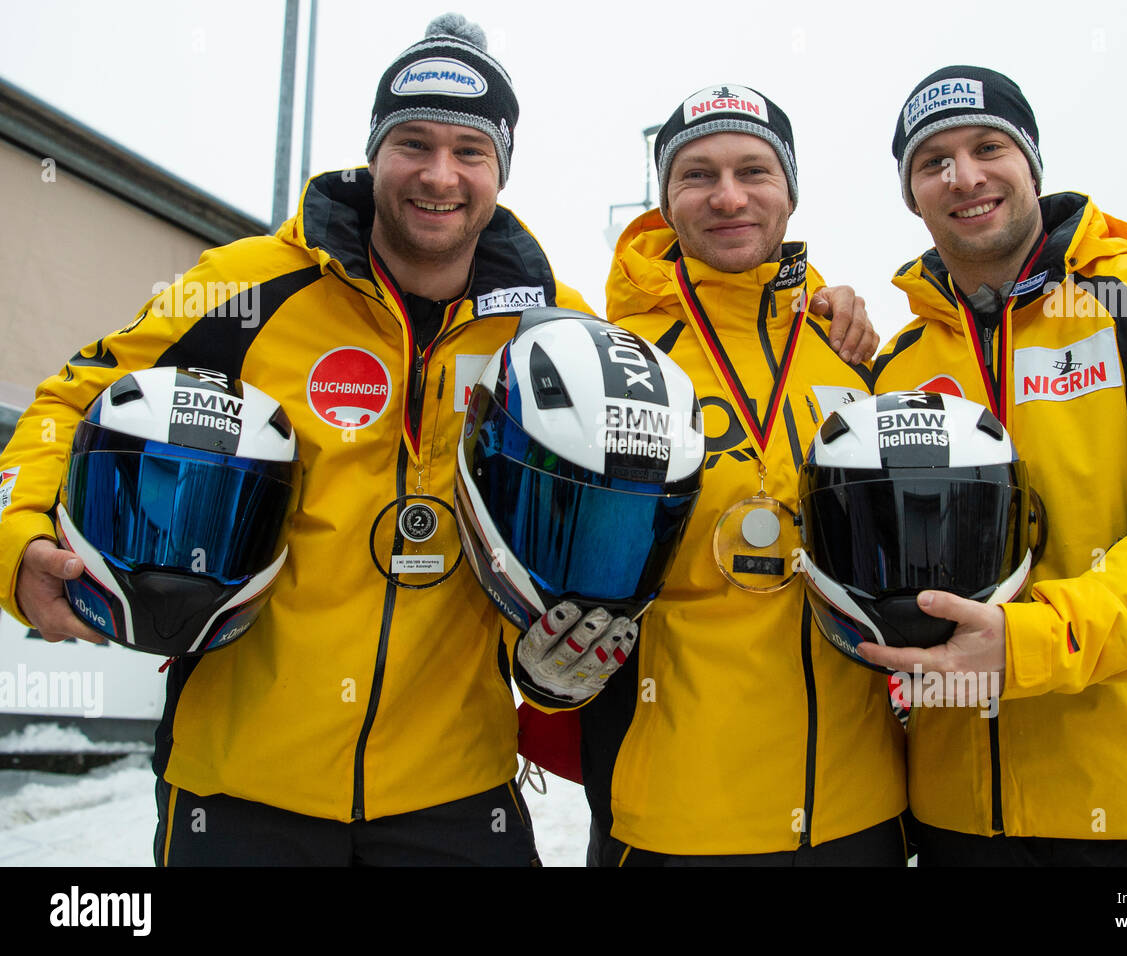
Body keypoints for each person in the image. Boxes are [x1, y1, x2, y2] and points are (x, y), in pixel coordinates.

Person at [0, 19, 873, 866]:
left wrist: (811, 301)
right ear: (374, 152)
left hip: (456, 796)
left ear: (502, 170)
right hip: (239, 790)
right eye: (413, 144)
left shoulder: (552, 326)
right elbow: (70, 399)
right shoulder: (249, 287)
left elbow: (701, 339)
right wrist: (21, 541)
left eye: (471, 151)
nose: (440, 175)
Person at [860, 65, 1127, 864]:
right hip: (960, 822)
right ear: (912, 194)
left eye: (988, 147)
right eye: (932, 161)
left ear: (1032, 165)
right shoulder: (898, 365)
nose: (964, 176)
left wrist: (1038, 641)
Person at [514, 84, 906, 865]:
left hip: (856, 812)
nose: (729, 197)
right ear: (665, 201)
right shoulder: (615, 361)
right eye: (697, 175)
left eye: (754, 171)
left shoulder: (851, 356)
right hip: (670, 820)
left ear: (790, 193)